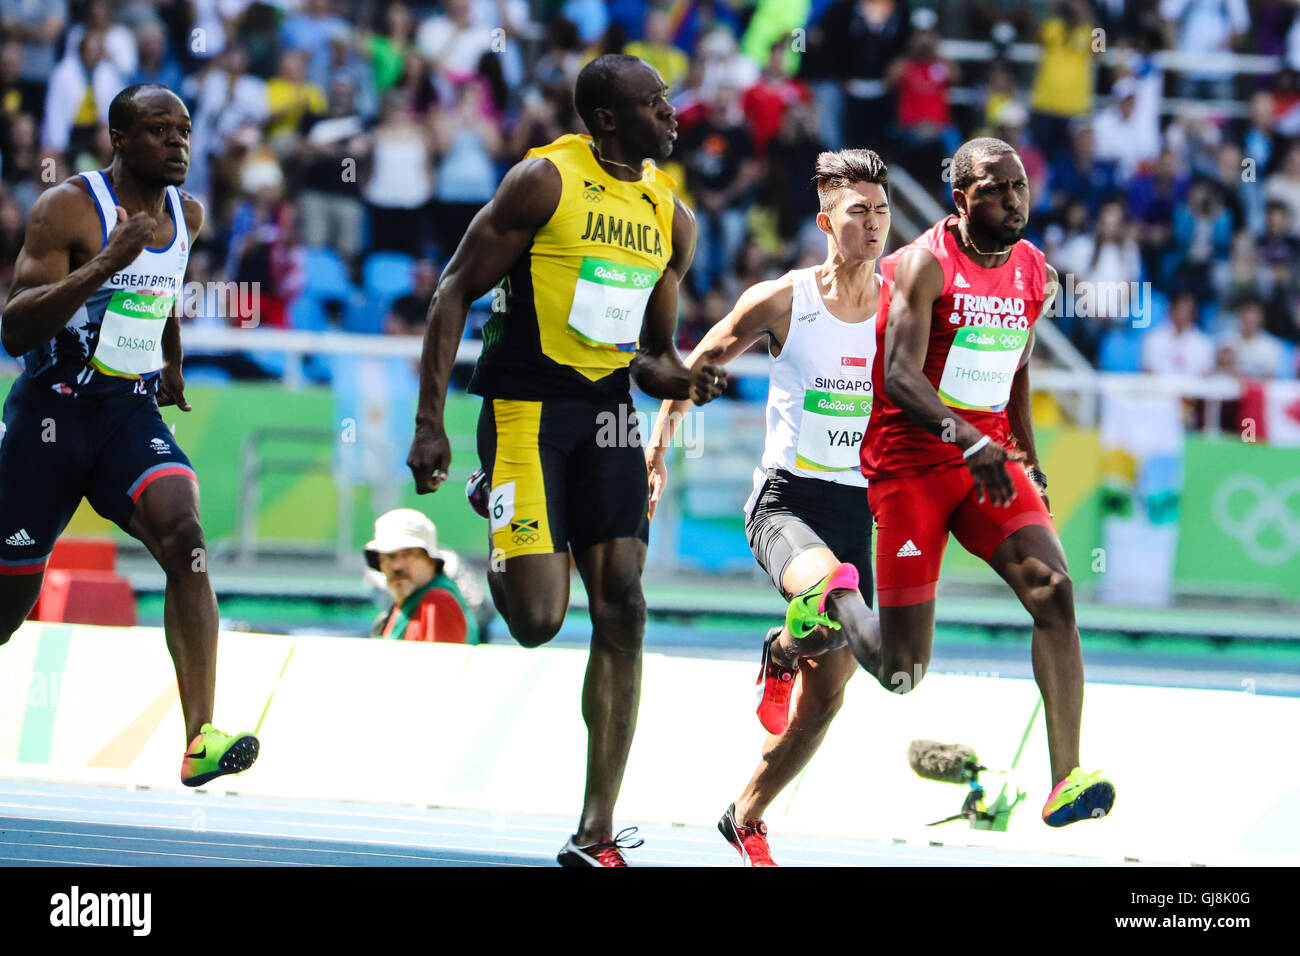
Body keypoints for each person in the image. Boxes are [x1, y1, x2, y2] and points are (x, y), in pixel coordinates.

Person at [406, 54, 725, 867]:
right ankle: (497, 496)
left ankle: (597, 831)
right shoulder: (542, 182)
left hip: (609, 420)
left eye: (670, 100)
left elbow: (653, 358)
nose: (673, 113)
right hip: (524, 412)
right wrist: (430, 424)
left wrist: (685, 376)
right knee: (539, 621)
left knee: (623, 606)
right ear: (609, 118)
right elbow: (451, 292)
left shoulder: (671, 218)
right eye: (656, 104)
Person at [0, 84, 258, 788]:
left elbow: (164, 286)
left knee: (187, 537)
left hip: (125, 414)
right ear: (118, 137)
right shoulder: (69, 208)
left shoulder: (189, 213)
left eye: (183, 130)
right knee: (5, 612)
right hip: (48, 421)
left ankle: (200, 737)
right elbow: (15, 328)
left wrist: (170, 357)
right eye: (157, 130)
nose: (177, 142)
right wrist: (105, 264)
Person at [859, 136, 1115, 828]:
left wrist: (1026, 457)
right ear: (960, 197)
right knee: (902, 671)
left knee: (1055, 591)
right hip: (913, 464)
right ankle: (835, 604)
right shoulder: (921, 266)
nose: (1012, 200)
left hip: (990, 462)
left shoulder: (1036, 272)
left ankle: (1065, 780)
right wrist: (969, 441)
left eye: (1020, 187)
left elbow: (1016, 368)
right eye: (996, 190)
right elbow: (900, 377)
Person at [647, 149, 888, 866]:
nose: (873, 225)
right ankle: (792, 639)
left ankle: (746, 812)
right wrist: (657, 450)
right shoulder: (783, 299)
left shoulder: (906, 305)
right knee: (831, 588)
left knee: (829, 693)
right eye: (857, 213)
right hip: (786, 499)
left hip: (860, 508)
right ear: (825, 222)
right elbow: (700, 362)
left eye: (881, 212)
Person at [366, 509, 477, 644]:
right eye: (389, 556)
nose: (397, 566)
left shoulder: (437, 602)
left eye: (408, 554)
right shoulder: (408, 603)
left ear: (431, 561)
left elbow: (445, 663)